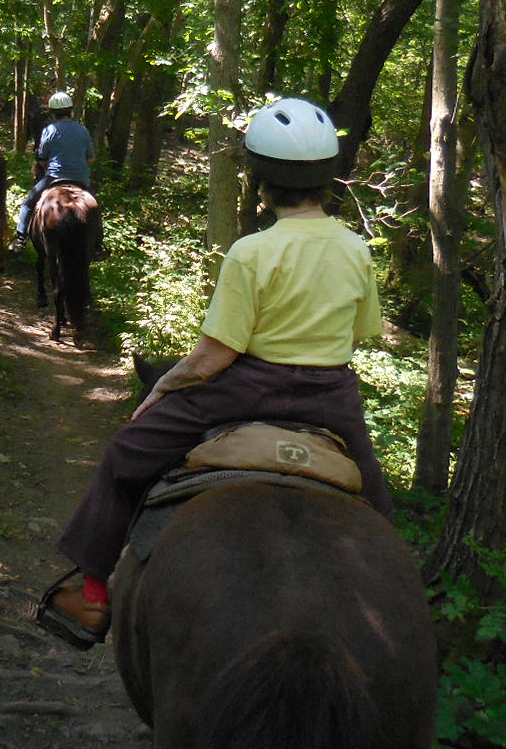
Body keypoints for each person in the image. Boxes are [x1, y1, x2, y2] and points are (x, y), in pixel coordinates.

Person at [35, 97, 394, 649]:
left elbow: (213, 357)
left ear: (261, 181)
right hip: (331, 397)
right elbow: (358, 333)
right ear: (326, 179)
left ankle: (92, 598)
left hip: (246, 389)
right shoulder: (356, 249)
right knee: (378, 505)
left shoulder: (253, 252)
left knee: (126, 455)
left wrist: (162, 386)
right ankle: (403, 606)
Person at [9, 91, 103, 256]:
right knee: (96, 209)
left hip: (54, 178)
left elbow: (42, 158)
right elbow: (91, 158)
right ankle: (98, 245)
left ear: (53, 112)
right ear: (70, 110)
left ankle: (21, 239)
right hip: (81, 180)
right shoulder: (82, 130)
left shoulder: (49, 129)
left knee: (28, 204)